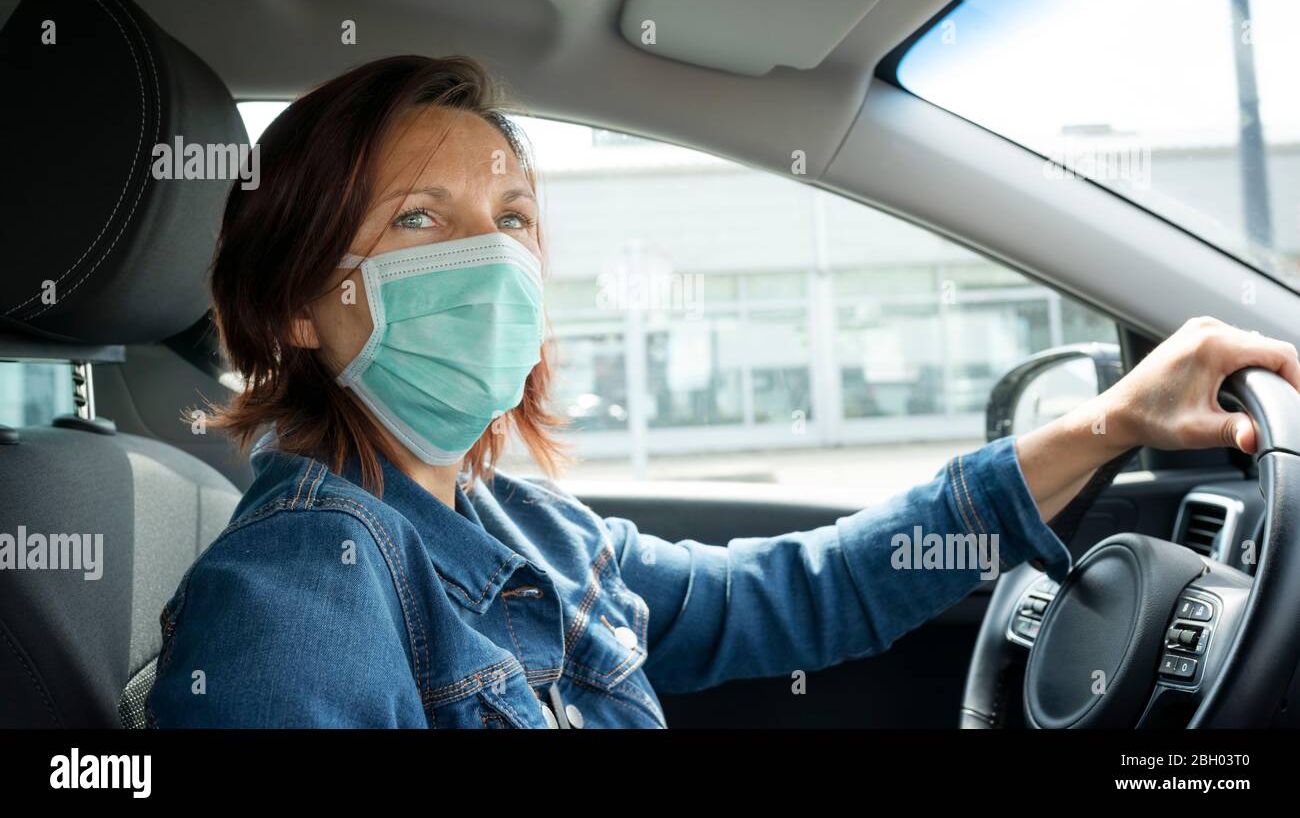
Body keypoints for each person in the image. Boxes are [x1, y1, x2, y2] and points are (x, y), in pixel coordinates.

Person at [145, 55, 1300, 728]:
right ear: (296, 304)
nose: (491, 262)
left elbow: (797, 592)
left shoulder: (504, 519)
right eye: (417, 219)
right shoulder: (298, 590)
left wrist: (1108, 423)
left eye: (511, 222)